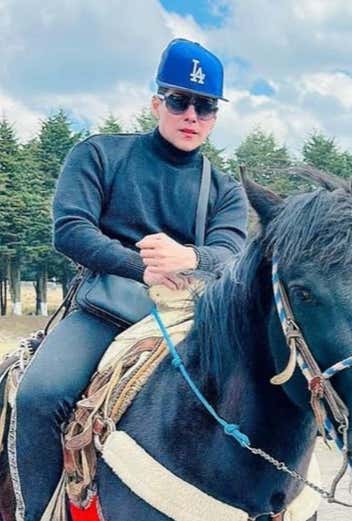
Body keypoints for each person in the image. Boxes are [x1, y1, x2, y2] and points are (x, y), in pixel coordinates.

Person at [11, 38, 248, 520]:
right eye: (180, 100)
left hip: (193, 322)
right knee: (40, 396)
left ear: (215, 116)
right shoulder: (99, 154)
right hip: (106, 311)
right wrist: (141, 267)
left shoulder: (225, 190)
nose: (191, 116)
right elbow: (71, 230)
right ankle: (39, 512)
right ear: (157, 101)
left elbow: (230, 254)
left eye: (205, 106)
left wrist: (188, 255)